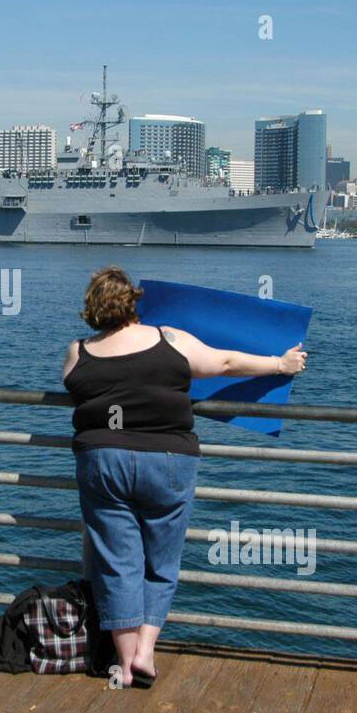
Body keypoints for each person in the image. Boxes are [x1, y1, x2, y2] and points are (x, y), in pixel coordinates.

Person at [61, 267, 307, 688]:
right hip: (169, 458)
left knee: (116, 564)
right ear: (135, 304)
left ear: (92, 309)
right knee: (162, 561)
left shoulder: (78, 350)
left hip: (103, 461)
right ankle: (146, 652)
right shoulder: (168, 338)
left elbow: (72, 384)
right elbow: (225, 362)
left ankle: (123, 661)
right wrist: (279, 364)